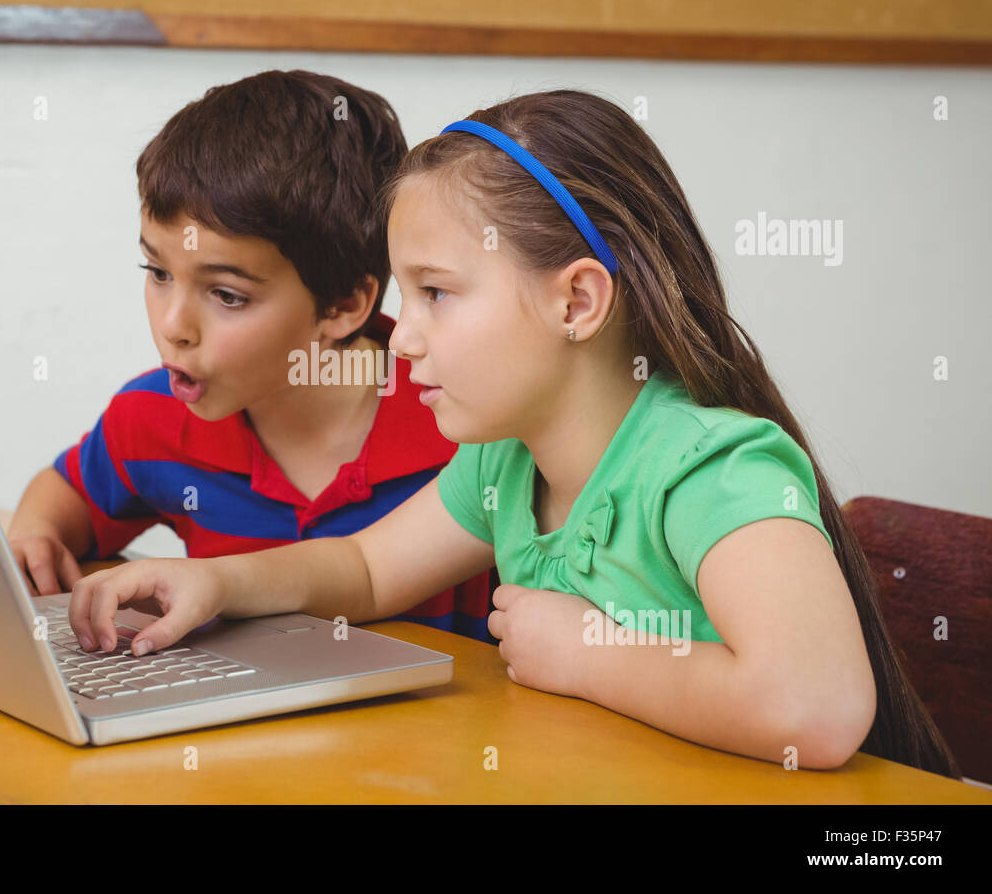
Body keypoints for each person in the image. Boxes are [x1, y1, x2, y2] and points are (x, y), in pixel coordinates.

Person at [65, 88, 961, 777]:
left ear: (576, 300)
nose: (402, 336)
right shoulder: (501, 465)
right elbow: (367, 570)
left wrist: (587, 654)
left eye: (437, 294)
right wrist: (212, 583)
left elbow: (817, 708)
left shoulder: (707, 468)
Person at [7, 69, 496, 643]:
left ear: (343, 303)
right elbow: (69, 492)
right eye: (158, 273)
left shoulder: (469, 419)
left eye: (227, 295)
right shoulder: (155, 417)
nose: (173, 327)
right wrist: (35, 530)